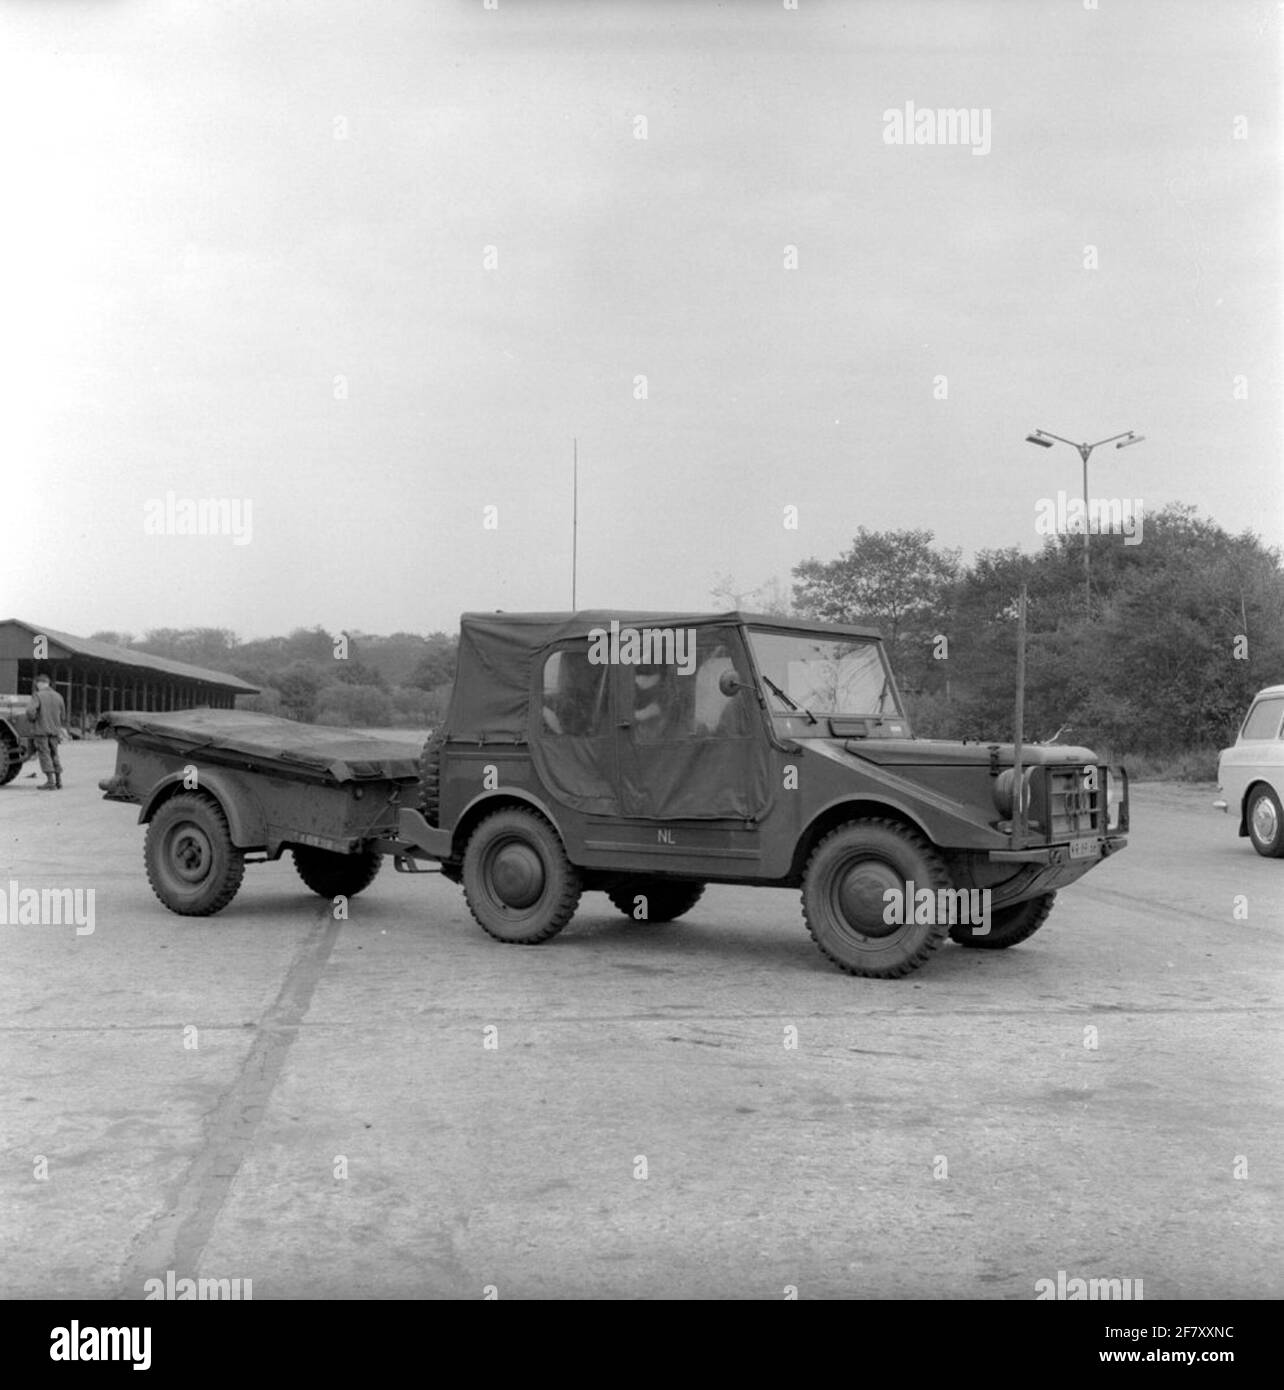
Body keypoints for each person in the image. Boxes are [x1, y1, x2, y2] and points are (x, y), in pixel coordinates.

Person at [27, 674, 68, 790]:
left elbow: (30, 711)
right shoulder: (59, 696)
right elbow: (63, 715)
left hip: (41, 731)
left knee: (45, 754)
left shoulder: (38, 695)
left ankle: (50, 781)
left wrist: (33, 719)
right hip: (54, 732)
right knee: (54, 754)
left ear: (39, 683)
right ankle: (59, 781)